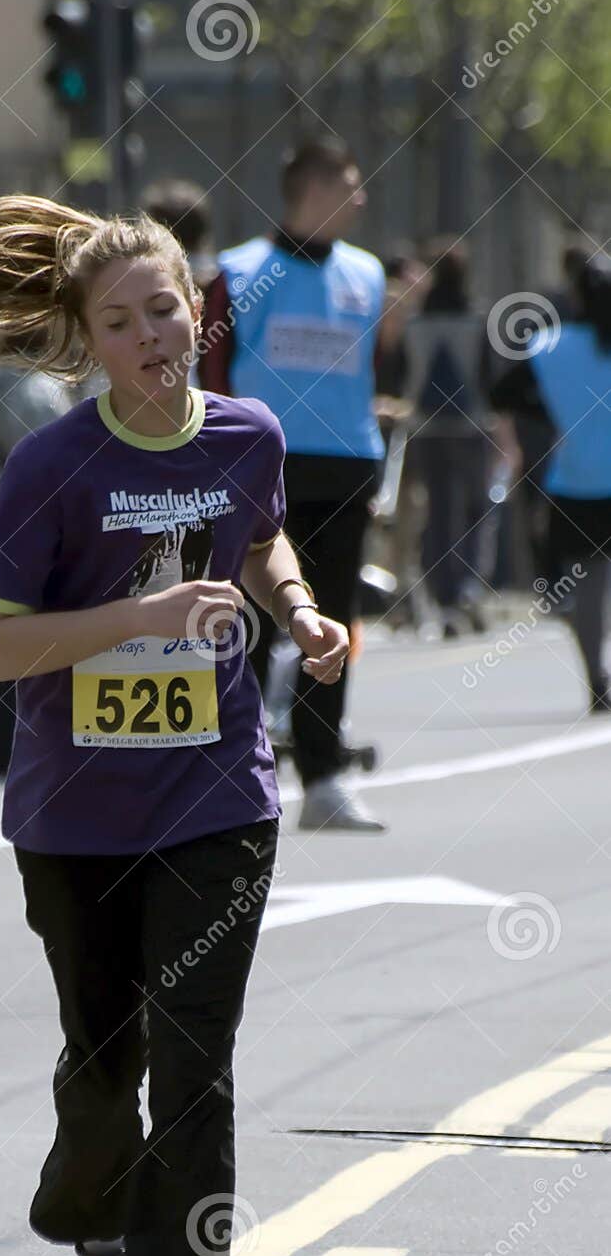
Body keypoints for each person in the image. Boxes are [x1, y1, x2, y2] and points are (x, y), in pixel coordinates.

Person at [0, 194, 349, 1256]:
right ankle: (90, 1218)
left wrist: (304, 611)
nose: (152, 332)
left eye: (164, 308)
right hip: (74, 817)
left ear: (196, 312)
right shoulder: (56, 468)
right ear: (88, 342)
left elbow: (260, 543)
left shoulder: (247, 434)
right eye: (121, 320)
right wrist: (139, 621)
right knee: (104, 1067)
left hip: (216, 799)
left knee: (194, 1066)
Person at [200, 134, 388, 831]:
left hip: (342, 469)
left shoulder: (367, 275)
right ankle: (231, 768)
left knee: (329, 623)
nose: (362, 197)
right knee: (246, 622)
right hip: (258, 470)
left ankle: (324, 776)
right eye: (351, 183)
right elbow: (212, 377)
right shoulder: (238, 271)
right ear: (313, 188)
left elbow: (365, 371)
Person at [490, 252, 611, 713]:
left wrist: (556, 412)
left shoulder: (550, 346)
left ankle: (597, 679)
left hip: (576, 482)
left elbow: (501, 393)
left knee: (588, 586)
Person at [0, 334, 76, 776]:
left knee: (9, 653)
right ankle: (15, 757)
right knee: (25, 652)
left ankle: (4, 757)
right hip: (20, 541)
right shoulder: (34, 390)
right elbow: (59, 467)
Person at [401, 237, 499, 638]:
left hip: (426, 427)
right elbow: (488, 378)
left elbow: (403, 373)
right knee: (476, 507)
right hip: (471, 426)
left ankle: (442, 595)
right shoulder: (478, 320)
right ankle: (470, 585)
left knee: (439, 511)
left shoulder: (415, 323)